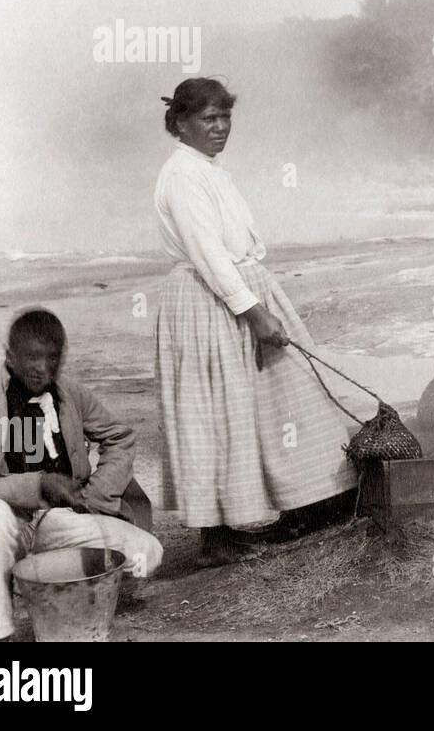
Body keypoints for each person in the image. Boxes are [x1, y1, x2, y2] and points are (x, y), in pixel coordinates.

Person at [153, 78, 355, 566]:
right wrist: (254, 311)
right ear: (181, 123)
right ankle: (215, 535)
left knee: (280, 395)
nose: (220, 127)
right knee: (212, 411)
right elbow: (207, 254)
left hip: (236, 290)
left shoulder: (208, 170)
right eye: (208, 119)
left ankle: (301, 500)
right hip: (209, 300)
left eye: (225, 117)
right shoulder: (182, 175)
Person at [0, 309, 163, 641]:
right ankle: (0, 628)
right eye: (32, 357)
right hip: (7, 520)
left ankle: (29, 573)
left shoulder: (70, 393)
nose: (42, 368)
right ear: (10, 356)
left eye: (53, 358)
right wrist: (39, 484)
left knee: (146, 554)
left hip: (57, 520)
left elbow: (120, 438)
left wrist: (95, 497)